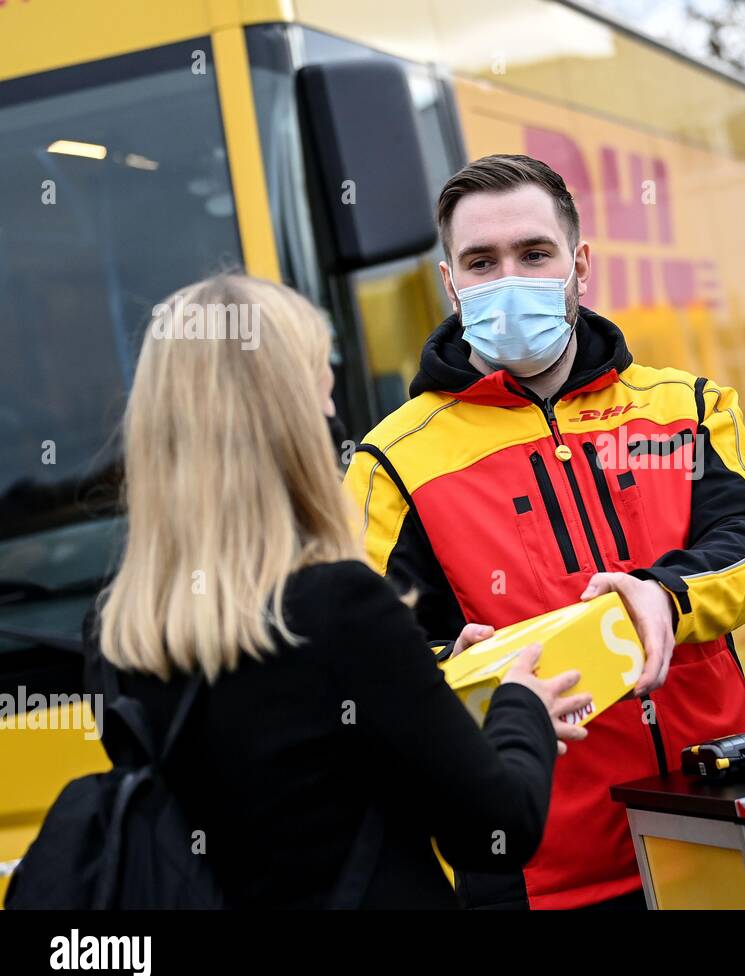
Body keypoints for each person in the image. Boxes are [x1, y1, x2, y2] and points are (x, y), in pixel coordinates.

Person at [344, 154, 745, 909]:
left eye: (533, 253)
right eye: (481, 262)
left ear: (579, 263)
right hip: (541, 874)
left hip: (721, 823)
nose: (508, 278)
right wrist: (444, 668)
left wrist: (667, 594)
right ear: (450, 283)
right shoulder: (391, 461)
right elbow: (360, 658)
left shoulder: (685, 404)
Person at [85, 274, 588, 908]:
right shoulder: (338, 607)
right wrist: (520, 709)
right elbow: (495, 829)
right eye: (322, 393)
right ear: (288, 422)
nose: (332, 416)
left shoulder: (118, 632)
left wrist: (428, 691)